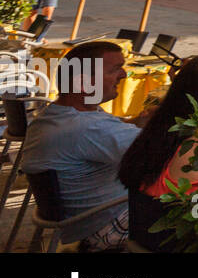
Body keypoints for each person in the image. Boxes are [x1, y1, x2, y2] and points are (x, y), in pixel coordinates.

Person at [21, 42, 140, 250]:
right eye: (115, 69)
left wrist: (140, 121)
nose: (124, 75)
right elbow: (160, 152)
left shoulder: (58, 115)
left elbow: (109, 134)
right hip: (108, 226)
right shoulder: (89, 128)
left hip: (88, 222)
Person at [118, 54, 198, 252]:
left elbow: (180, 105)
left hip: (143, 239)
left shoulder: (157, 126)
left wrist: (183, 85)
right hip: (186, 243)